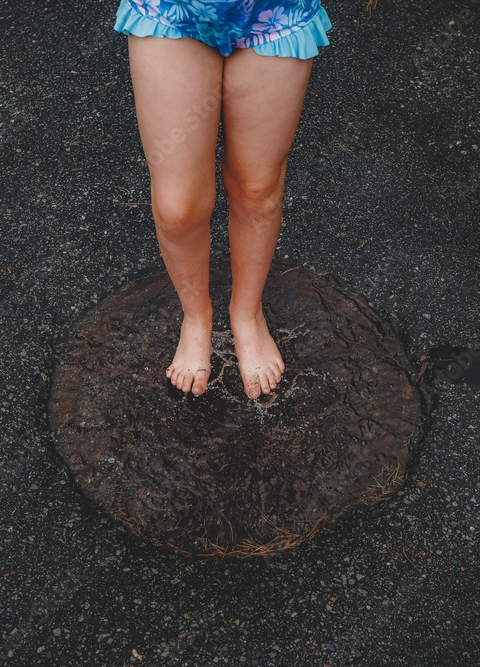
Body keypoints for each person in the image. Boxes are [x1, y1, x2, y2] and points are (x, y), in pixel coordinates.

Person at [113, 0, 333, 399]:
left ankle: (247, 314)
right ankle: (197, 319)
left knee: (258, 190)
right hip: (171, 10)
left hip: (276, 11)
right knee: (178, 208)